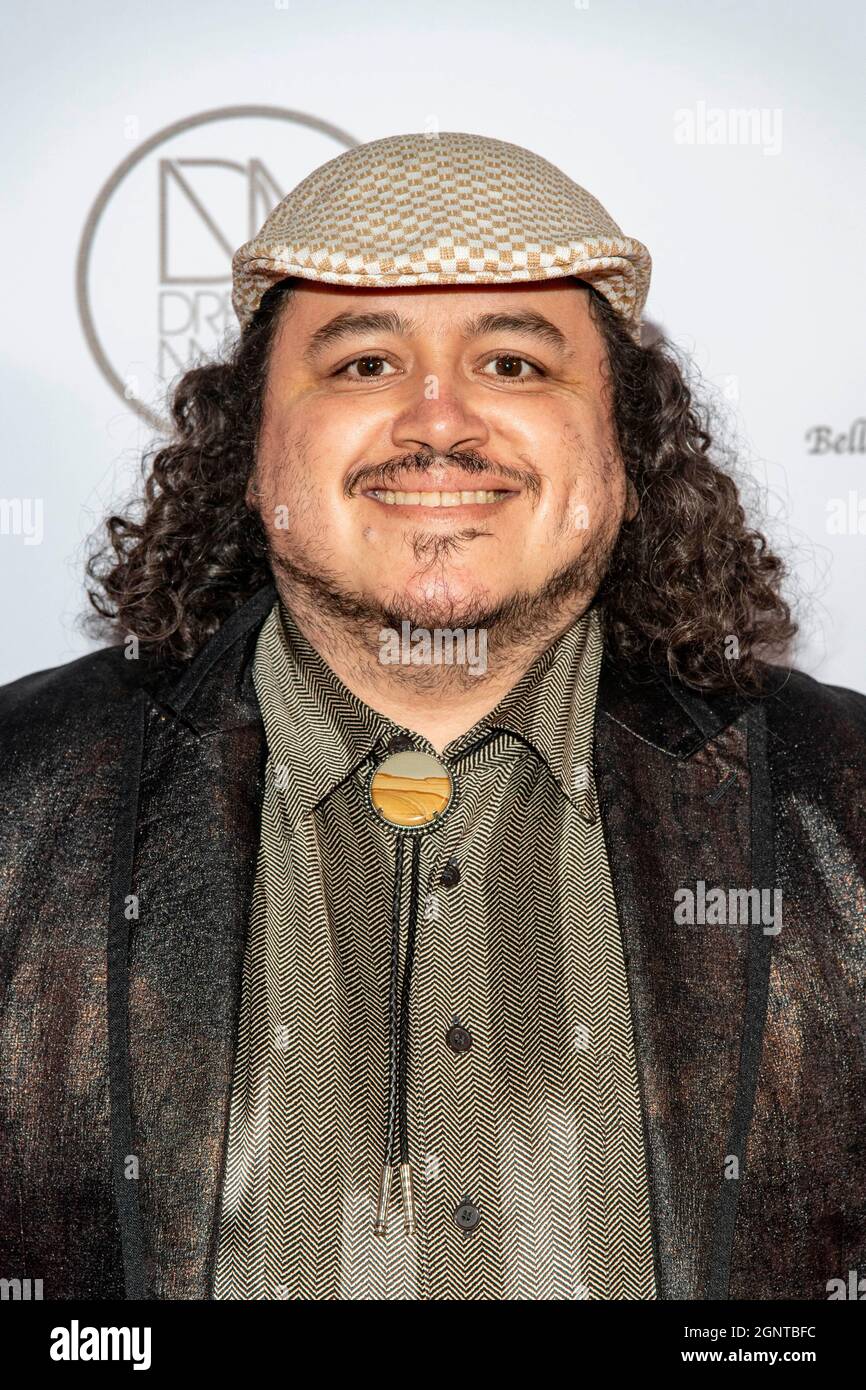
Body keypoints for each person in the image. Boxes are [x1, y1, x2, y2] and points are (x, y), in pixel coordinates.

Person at [1, 131, 864, 1302]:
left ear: (623, 450)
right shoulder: (20, 800)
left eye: (513, 364)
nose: (437, 419)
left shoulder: (844, 802)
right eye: (362, 365)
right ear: (252, 450)